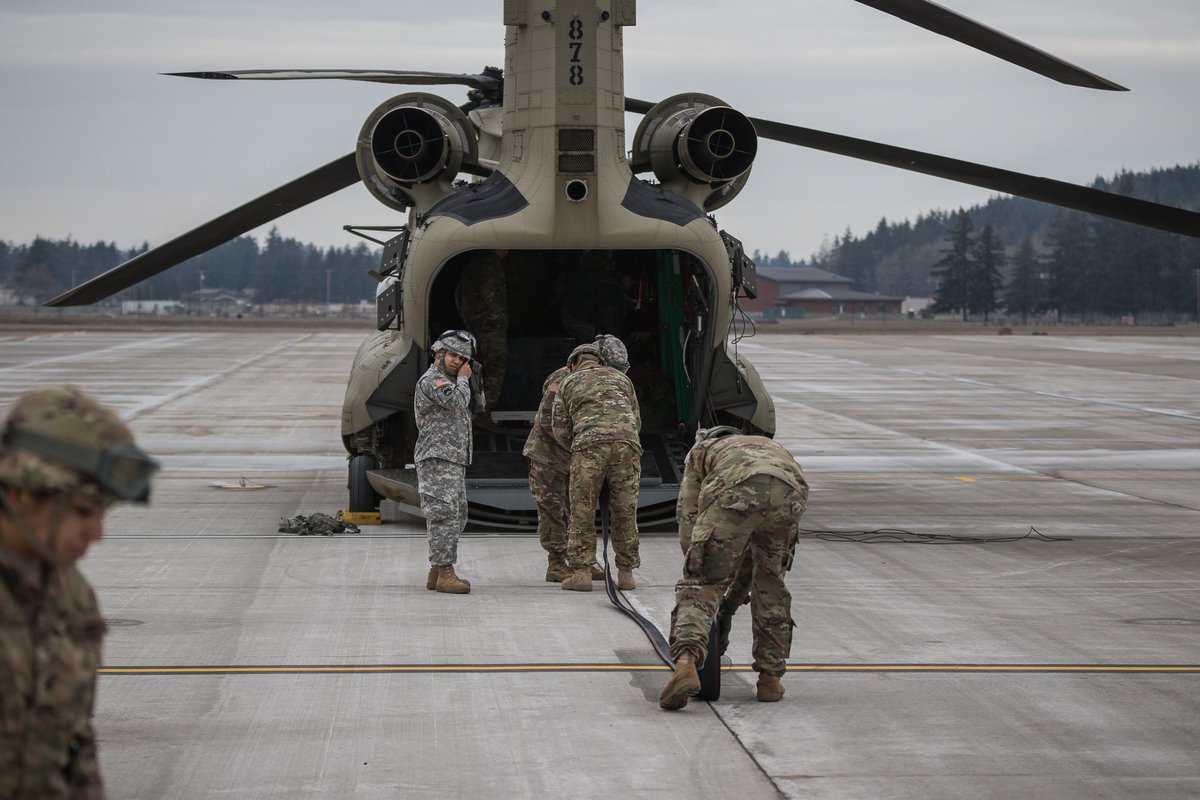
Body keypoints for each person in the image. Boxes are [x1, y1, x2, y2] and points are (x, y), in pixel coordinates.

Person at [0, 385, 159, 798]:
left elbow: (75, 744)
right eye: (84, 511)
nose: (98, 534)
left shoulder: (68, 591)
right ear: (24, 493)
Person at [659, 426, 809, 711]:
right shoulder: (769, 447)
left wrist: (704, 571)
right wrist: (728, 608)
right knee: (771, 584)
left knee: (701, 584)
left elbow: (688, 518)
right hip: (790, 491)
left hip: (735, 488)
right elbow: (751, 565)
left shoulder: (700, 452)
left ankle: (687, 662)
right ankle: (770, 679)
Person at [550, 340, 641, 592]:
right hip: (626, 445)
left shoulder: (569, 381)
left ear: (573, 363)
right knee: (625, 509)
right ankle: (626, 573)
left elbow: (559, 428)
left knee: (582, 510)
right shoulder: (621, 379)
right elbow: (636, 418)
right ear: (601, 360)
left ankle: (581, 573)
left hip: (589, 446)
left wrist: (579, 445)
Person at [415, 330, 477, 594]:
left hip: (451, 458)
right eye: (453, 355)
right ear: (438, 353)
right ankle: (445, 571)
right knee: (444, 515)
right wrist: (464, 380)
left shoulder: (448, 380)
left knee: (457, 515)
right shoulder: (434, 381)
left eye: (462, 358)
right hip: (438, 458)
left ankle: (437, 571)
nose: (457, 361)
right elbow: (457, 403)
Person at [522, 360, 573, 582]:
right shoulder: (561, 379)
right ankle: (556, 562)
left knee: (578, 509)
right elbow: (548, 420)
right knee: (551, 508)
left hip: (573, 457)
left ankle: (581, 561)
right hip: (549, 456)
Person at [454, 249, 508, 432]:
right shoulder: (488, 264)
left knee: (477, 367)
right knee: (495, 366)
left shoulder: (472, 264)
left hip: (474, 323)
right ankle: (483, 413)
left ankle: (471, 411)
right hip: (488, 324)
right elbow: (490, 292)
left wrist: (466, 315)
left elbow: (459, 293)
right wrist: (497, 317)